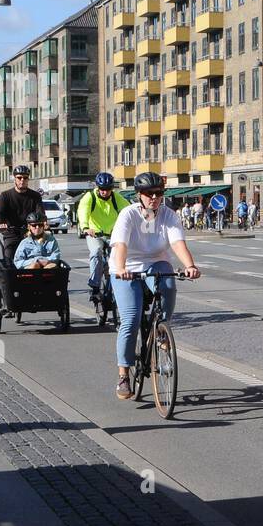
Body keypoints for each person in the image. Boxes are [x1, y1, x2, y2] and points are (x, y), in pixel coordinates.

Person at [108, 171, 201, 400]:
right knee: (130, 318)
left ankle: (161, 331)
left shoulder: (168, 215)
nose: (154, 198)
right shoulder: (128, 215)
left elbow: (177, 243)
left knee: (169, 283)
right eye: (149, 194)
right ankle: (123, 375)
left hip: (156, 261)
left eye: (158, 193)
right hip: (127, 266)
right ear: (139, 195)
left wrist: (190, 266)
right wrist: (121, 269)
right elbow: (120, 245)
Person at [78, 172, 129, 305]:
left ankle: (119, 284)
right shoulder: (90, 197)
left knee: (120, 258)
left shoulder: (117, 198)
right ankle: (95, 286)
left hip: (113, 235)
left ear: (112, 188)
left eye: (107, 189)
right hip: (95, 233)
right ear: (97, 187)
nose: (104, 192)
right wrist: (85, 227)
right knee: (96, 252)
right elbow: (83, 211)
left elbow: (128, 212)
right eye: (102, 189)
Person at [0, 164, 43, 264]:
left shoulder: (35, 196)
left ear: (28, 179)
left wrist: (44, 222)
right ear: (14, 179)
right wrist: (0, 223)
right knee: (9, 258)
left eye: (25, 178)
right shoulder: (5, 196)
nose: (22, 180)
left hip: (30, 232)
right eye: (19, 177)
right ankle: (9, 277)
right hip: (11, 232)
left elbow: (40, 212)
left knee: (38, 257)